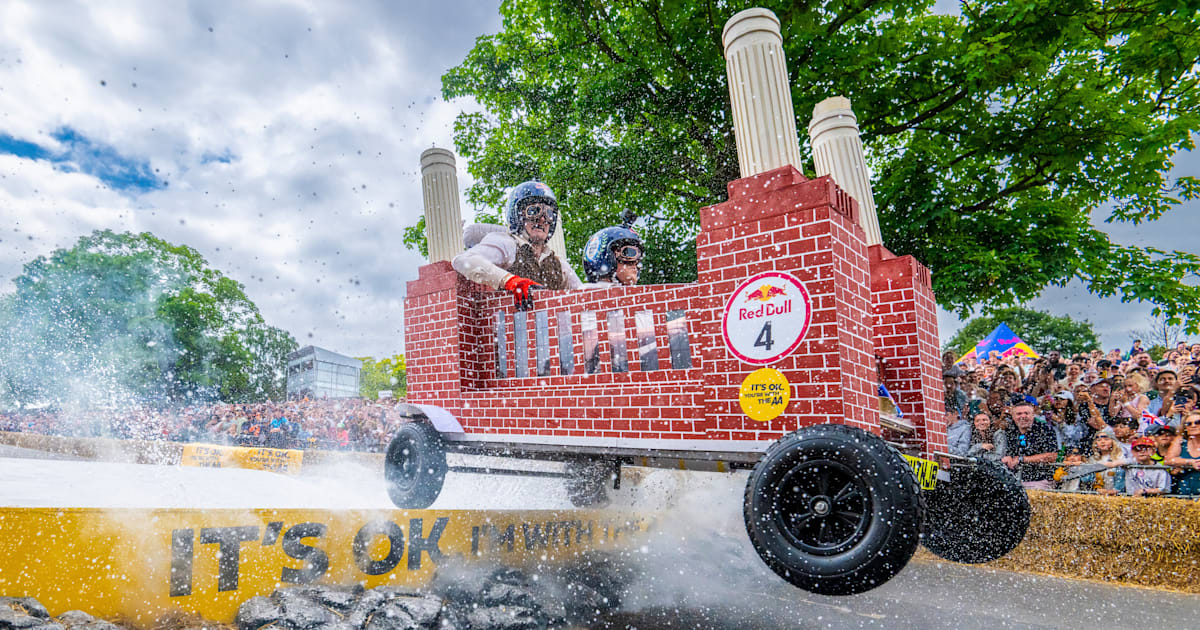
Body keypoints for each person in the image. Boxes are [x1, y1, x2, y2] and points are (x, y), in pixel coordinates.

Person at [452, 180, 583, 309]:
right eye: (533, 211)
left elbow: (583, 294)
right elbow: (463, 261)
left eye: (549, 214)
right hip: (510, 325)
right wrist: (508, 280)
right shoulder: (507, 243)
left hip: (549, 327)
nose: (542, 219)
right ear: (517, 215)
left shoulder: (558, 263)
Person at [1001, 401, 1059, 490]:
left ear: (1033, 415)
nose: (1023, 416)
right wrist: (1007, 457)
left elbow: (1052, 456)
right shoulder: (1010, 430)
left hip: (1039, 480)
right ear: (1013, 416)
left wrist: (1022, 459)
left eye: (1026, 413)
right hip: (1014, 479)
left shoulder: (1045, 429)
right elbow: (1008, 452)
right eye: (1019, 414)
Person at [1164, 410, 1200, 495]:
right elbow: (1168, 460)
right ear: (1185, 428)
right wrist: (1190, 462)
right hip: (1184, 491)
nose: (1193, 426)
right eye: (1189, 424)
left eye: (1197, 422)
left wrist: (1180, 463)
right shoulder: (1180, 440)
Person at [1082, 427, 1126, 495]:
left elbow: (1122, 476)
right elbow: (1087, 478)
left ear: (1112, 442)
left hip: (1116, 494)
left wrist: (1115, 490)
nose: (1103, 442)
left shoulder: (1119, 457)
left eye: (1106, 439)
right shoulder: (1092, 459)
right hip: (1097, 494)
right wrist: (1097, 488)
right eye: (1099, 440)